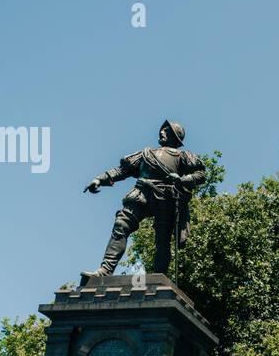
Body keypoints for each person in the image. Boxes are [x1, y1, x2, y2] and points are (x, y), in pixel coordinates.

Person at [82, 120, 207, 281]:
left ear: (175, 137)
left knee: (162, 240)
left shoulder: (183, 156)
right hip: (142, 193)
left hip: (166, 198)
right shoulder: (146, 153)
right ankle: (105, 270)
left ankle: (157, 278)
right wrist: (100, 179)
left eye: (166, 131)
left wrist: (182, 179)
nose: (161, 132)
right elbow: (122, 171)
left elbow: (201, 174)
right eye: (162, 130)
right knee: (121, 224)